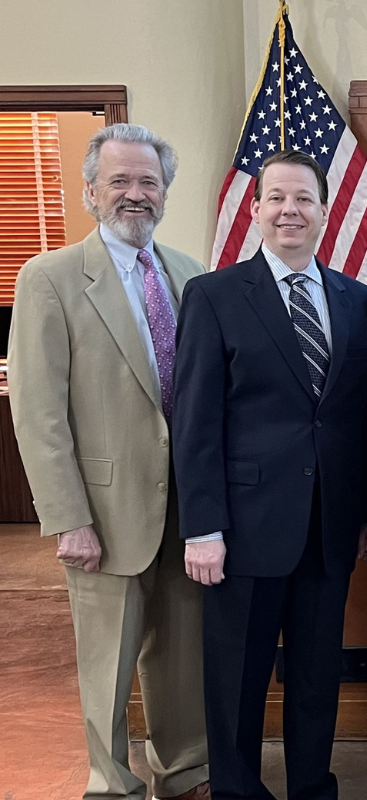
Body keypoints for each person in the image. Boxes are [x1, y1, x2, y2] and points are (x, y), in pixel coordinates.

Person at [8, 123, 210, 800]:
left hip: (187, 507)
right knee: (108, 664)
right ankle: (111, 782)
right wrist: (68, 517)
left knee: (182, 658)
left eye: (147, 182)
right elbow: (37, 413)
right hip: (103, 510)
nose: (134, 194)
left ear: (165, 192)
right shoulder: (50, 278)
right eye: (119, 181)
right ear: (90, 190)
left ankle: (184, 768)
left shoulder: (189, 273)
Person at [172, 150, 367, 800]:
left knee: (318, 679)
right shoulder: (213, 295)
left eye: (304, 198)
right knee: (237, 679)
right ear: (256, 209)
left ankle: (312, 789)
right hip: (241, 531)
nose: (290, 209)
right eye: (277, 198)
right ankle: (237, 792)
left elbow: (366, 419)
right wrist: (202, 526)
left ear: (325, 210)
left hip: (329, 529)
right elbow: (195, 420)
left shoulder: (360, 301)